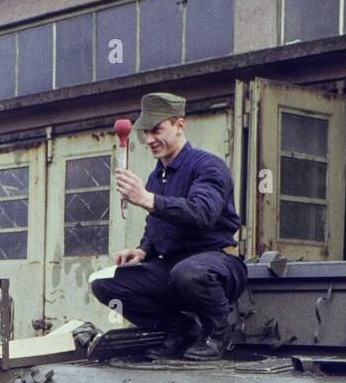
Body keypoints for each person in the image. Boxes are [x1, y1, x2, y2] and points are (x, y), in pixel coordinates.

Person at [90, 92, 246, 359]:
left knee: (189, 272)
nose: (149, 139)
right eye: (145, 132)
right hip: (173, 269)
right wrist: (142, 251)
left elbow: (202, 213)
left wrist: (148, 199)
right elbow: (157, 225)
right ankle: (180, 330)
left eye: (157, 130)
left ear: (179, 125)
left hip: (217, 267)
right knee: (104, 282)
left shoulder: (209, 167)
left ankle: (217, 334)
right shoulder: (156, 177)